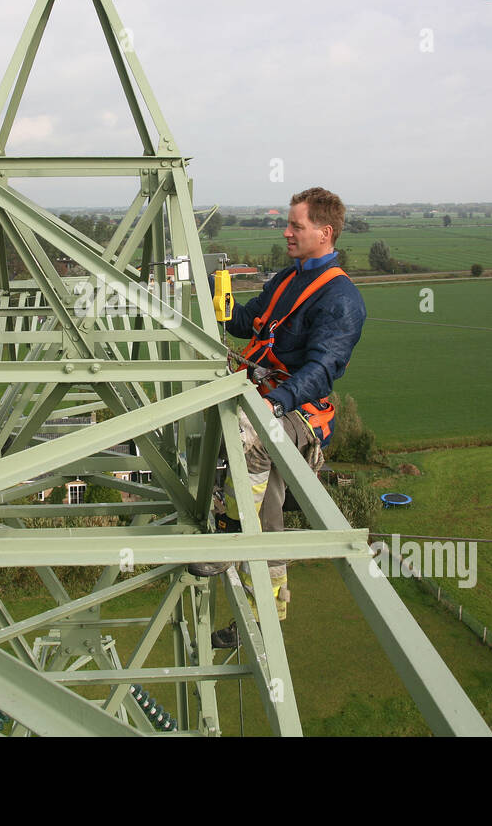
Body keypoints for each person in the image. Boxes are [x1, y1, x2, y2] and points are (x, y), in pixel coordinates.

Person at [190, 186, 366, 647]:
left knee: (251, 437)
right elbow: (247, 322)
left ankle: (230, 533)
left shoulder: (341, 298)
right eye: (287, 224)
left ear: (324, 233)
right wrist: (207, 280)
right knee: (269, 518)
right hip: (265, 394)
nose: (286, 232)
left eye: (296, 226)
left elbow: (322, 370)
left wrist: (275, 403)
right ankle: (267, 613)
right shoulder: (290, 280)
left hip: (298, 410)